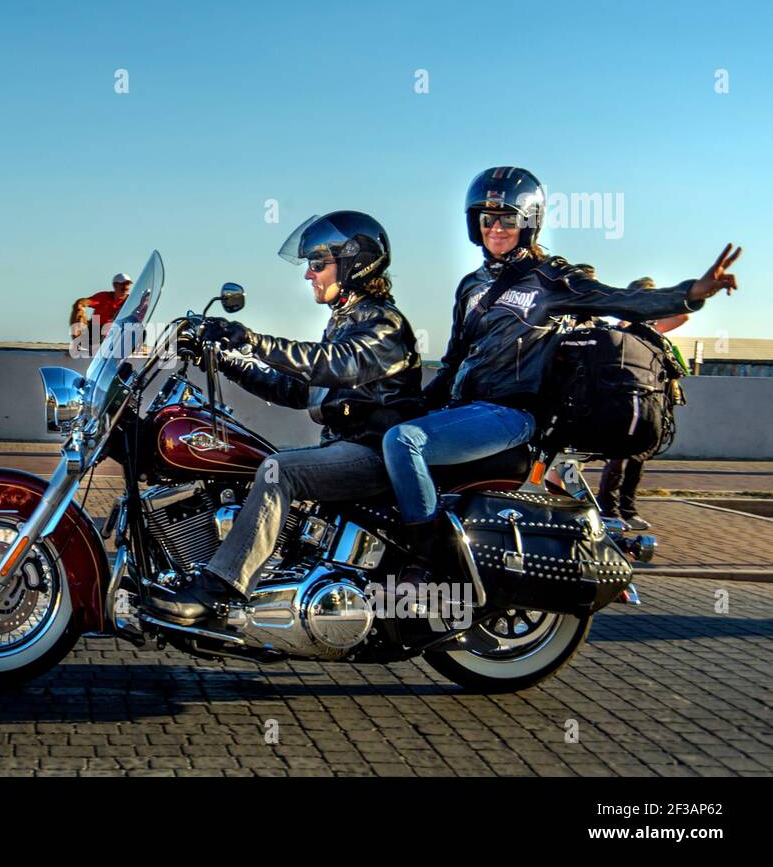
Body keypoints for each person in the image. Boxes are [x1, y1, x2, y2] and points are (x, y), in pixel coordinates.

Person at [382, 166, 741, 572]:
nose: (495, 228)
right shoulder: (470, 286)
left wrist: (691, 294)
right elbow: (452, 363)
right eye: (486, 218)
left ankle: (427, 561)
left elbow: (620, 300)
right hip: (465, 411)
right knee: (382, 436)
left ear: (528, 223)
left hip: (510, 413)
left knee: (403, 442)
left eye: (507, 218)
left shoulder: (550, 278)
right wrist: (408, 405)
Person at [143, 212, 425, 623]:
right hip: (343, 447)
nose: (309, 275)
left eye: (317, 264)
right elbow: (294, 389)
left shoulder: (383, 323)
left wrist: (252, 339)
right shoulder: (344, 322)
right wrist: (224, 360)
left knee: (281, 471)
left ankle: (219, 589)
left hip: (375, 453)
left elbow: (335, 364)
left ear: (352, 263)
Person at [595, 276, 691, 530]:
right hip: (624, 403)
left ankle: (628, 508)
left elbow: (683, 316)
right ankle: (608, 508)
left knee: (639, 457)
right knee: (618, 457)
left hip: (651, 402)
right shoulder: (621, 331)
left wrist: (665, 300)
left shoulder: (653, 331)